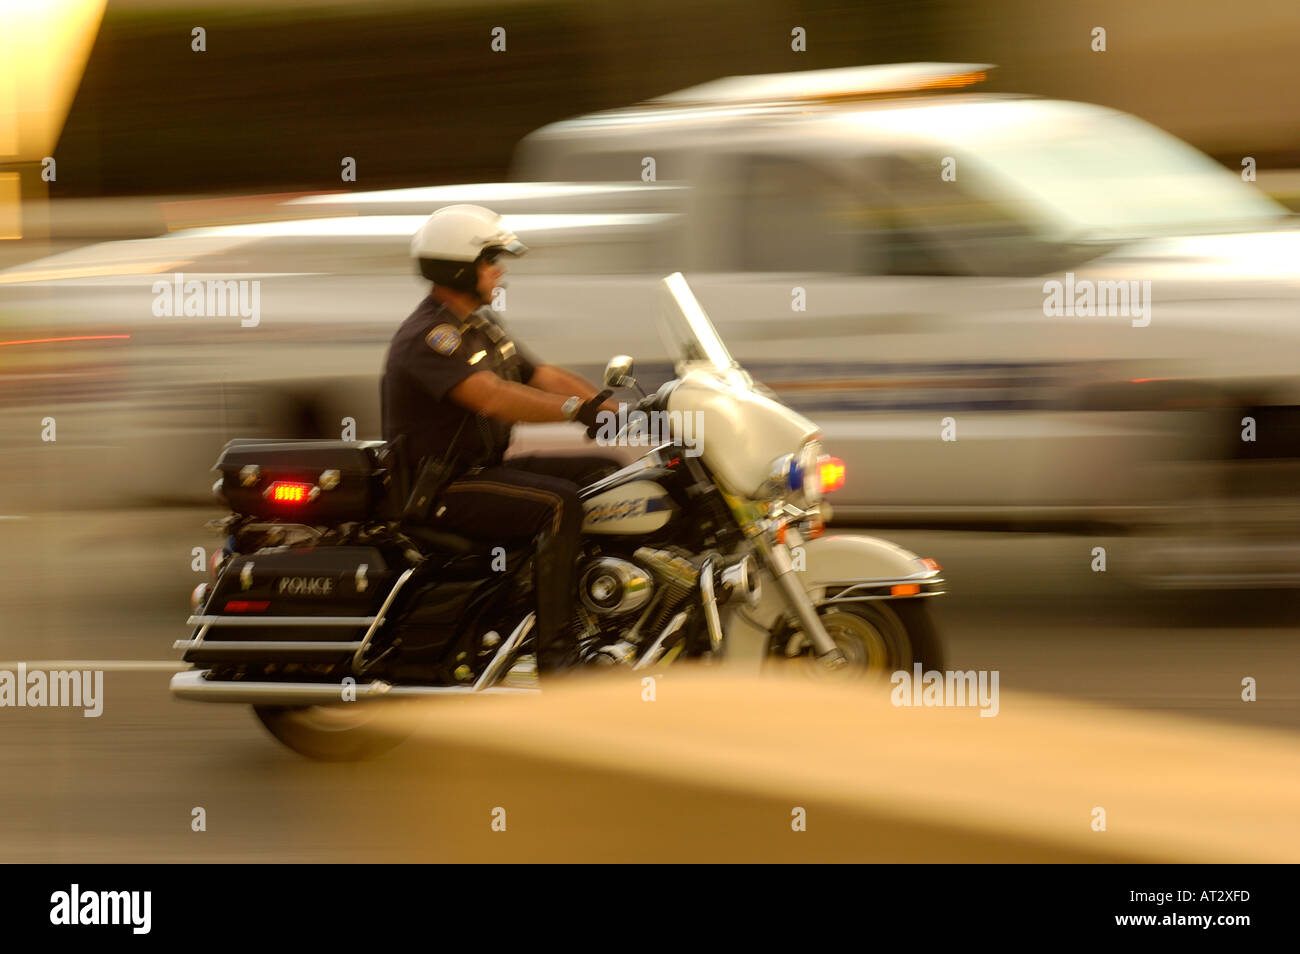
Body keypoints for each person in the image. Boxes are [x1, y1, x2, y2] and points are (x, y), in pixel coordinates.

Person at [381, 205, 620, 674]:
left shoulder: (480, 326)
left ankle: (599, 604)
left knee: (605, 473)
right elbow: (492, 398)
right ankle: (558, 653)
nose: (499, 270)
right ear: (458, 268)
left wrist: (613, 409)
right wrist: (579, 413)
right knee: (559, 505)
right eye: (491, 260)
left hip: (482, 471)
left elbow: (541, 375)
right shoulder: (432, 337)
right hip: (439, 491)